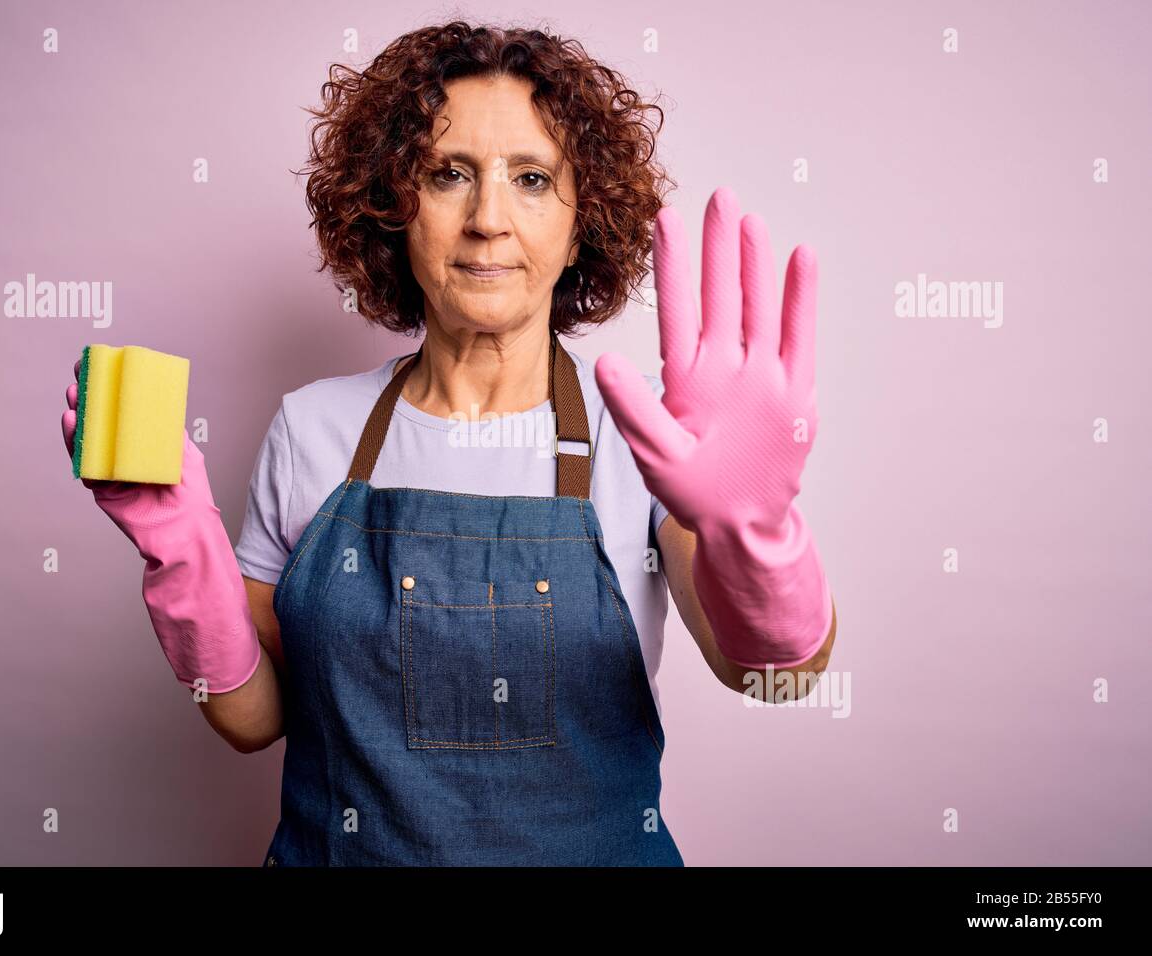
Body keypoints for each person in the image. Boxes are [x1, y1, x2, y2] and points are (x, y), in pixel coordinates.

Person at [60, 21, 837, 867]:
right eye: (449, 175)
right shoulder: (312, 429)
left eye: (533, 179)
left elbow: (772, 673)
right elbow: (252, 719)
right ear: (397, 208)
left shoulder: (647, 435)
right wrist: (180, 548)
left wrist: (753, 535)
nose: (488, 220)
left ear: (582, 226)